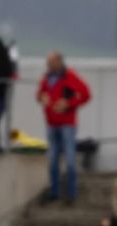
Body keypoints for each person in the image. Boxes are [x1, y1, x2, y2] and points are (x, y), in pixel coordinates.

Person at [38, 52, 91, 205]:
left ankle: (72, 193)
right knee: (52, 159)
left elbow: (86, 94)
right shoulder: (46, 78)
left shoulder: (70, 76)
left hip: (67, 123)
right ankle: (54, 192)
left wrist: (68, 104)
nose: (48, 65)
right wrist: (42, 98)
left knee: (70, 158)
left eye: (50, 62)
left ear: (58, 62)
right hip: (51, 123)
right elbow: (39, 94)